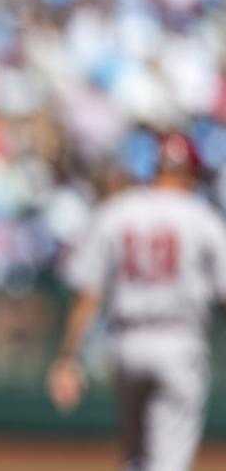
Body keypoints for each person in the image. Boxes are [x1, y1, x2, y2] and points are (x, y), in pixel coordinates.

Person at [47, 132, 226, 471]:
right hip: (179, 341)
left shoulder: (118, 211)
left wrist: (68, 357)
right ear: (190, 173)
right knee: (168, 462)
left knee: (135, 459)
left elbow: (88, 293)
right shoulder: (203, 218)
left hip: (127, 343)